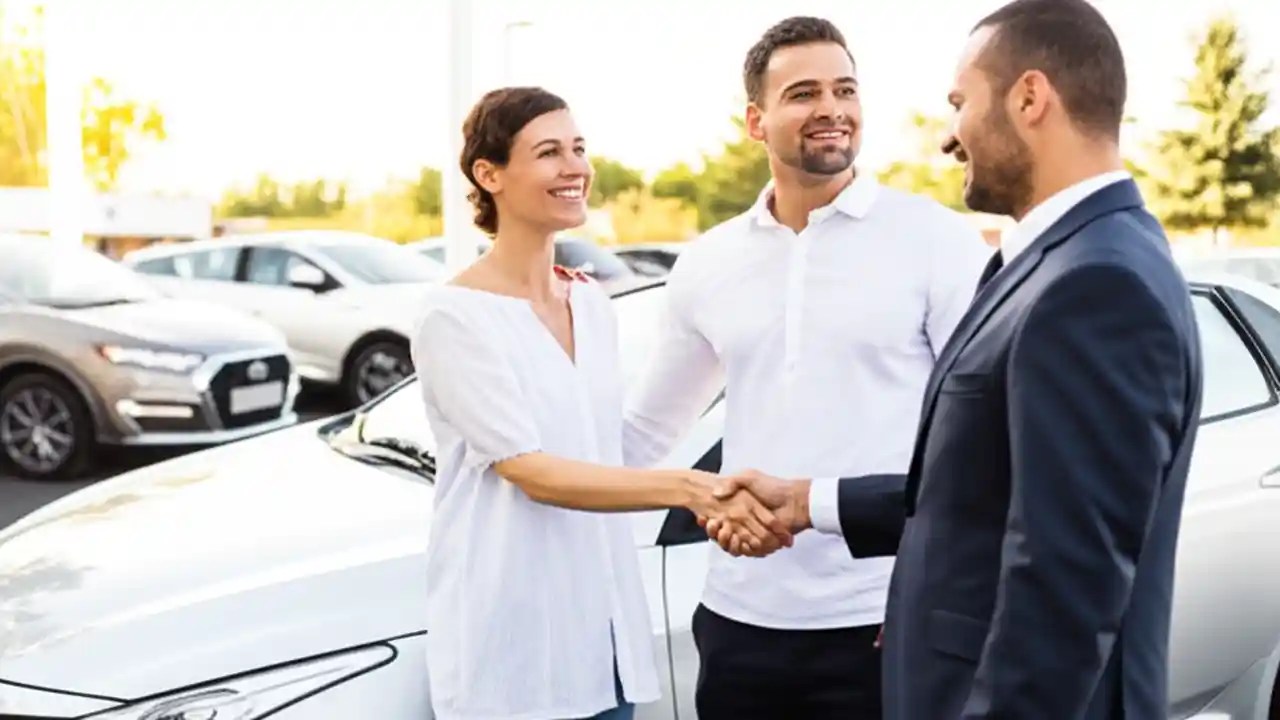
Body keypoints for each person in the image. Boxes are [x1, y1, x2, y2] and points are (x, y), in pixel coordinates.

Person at [708, 1, 1205, 718]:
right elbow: (984, 492)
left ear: (1030, 98)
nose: (949, 136)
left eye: (959, 104)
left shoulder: (1098, 285)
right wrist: (812, 503)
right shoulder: (1059, 261)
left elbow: (1063, 588)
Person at [621, 16, 992, 720]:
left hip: (885, 617)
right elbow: (643, 433)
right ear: (755, 122)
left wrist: (944, 596)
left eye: (844, 89)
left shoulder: (936, 240)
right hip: (739, 624)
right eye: (803, 93)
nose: (830, 108)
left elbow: (982, 439)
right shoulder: (709, 261)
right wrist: (525, 463)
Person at [408, 86, 788, 720]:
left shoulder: (588, 302)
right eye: (549, 152)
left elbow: (605, 448)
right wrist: (693, 489)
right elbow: (531, 470)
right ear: (489, 173)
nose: (575, 167)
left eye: (579, 149)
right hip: (515, 647)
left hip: (606, 634)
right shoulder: (454, 317)